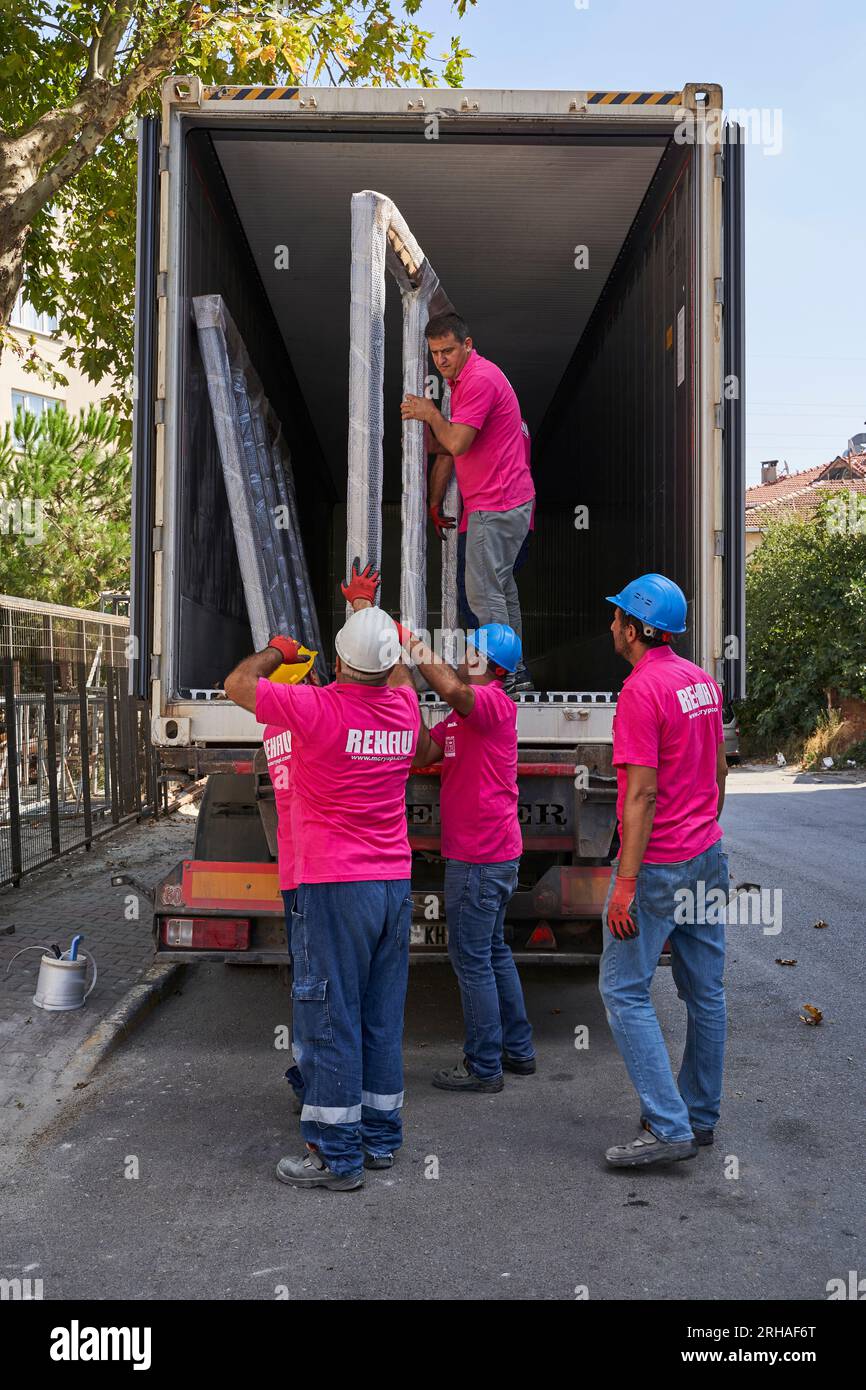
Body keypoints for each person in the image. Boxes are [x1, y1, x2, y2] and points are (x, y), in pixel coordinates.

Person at [224, 560, 419, 1192]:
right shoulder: (406, 712)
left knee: (331, 1016)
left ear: (335, 665)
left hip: (333, 886)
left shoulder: (313, 710)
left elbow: (237, 685)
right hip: (392, 886)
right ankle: (380, 1138)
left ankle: (337, 1156)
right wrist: (371, 612)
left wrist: (275, 650)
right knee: (380, 1017)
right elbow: (390, 668)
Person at [598, 573, 729, 1169]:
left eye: (618, 616)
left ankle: (669, 1125)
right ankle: (698, 1117)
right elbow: (720, 770)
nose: (612, 624)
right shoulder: (702, 681)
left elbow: (642, 796)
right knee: (705, 991)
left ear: (636, 629)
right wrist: (703, 830)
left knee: (623, 990)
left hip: (659, 866)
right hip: (707, 854)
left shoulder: (640, 692)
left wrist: (626, 884)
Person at [393, 618, 535, 1092]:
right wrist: (404, 694)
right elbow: (421, 752)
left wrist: (410, 644)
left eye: (469, 650)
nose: (460, 656)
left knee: (471, 958)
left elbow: (455, 692)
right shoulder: (461, 718)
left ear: (486, 662)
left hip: (480, 857)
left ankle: (483, 1067)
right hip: (488, 854)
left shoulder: (491, 703)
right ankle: (518, 1051)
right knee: (492, 952)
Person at [401, 312, 534, 690]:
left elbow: (456, 443)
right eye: (434, 353)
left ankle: (501, 675)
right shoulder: (466, 380)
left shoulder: (477, 380)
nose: (440, 360)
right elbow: (453, 444)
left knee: (483, 594)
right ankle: (517, 669)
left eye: (448, 350)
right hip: (506, 503)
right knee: (502, 590)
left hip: (496, 504)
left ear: (468, 345)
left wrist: (428, 413)